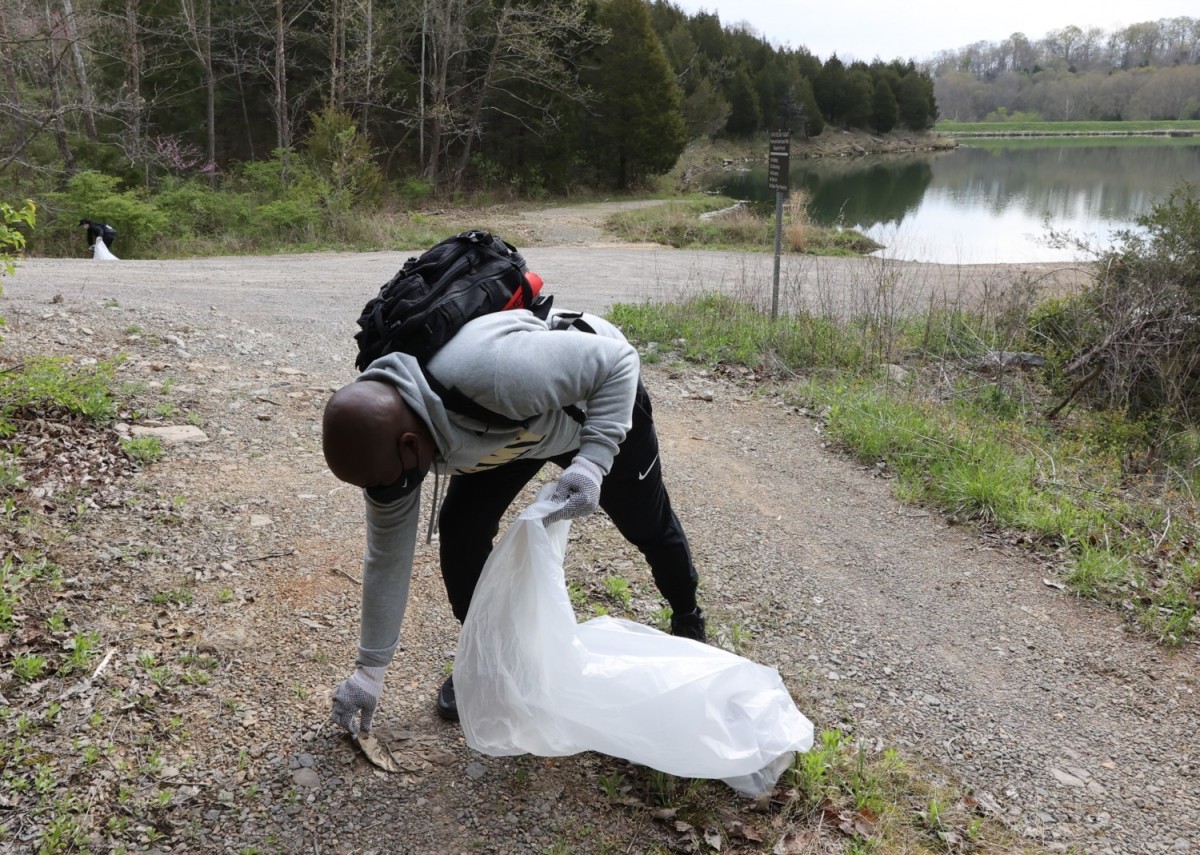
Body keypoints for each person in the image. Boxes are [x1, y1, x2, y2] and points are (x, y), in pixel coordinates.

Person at [322, 306, 705, 733]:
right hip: (512, 429)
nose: (387, 493)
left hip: (592, 405)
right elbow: (386, 558)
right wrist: (370, 669)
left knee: (647, 525)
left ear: (411, 444)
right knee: (462, 529)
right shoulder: (384, 447)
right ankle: (492, 659)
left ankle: (687, 617)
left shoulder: (497, 373)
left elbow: (619, 362)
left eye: (387, 482)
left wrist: (594, 461)